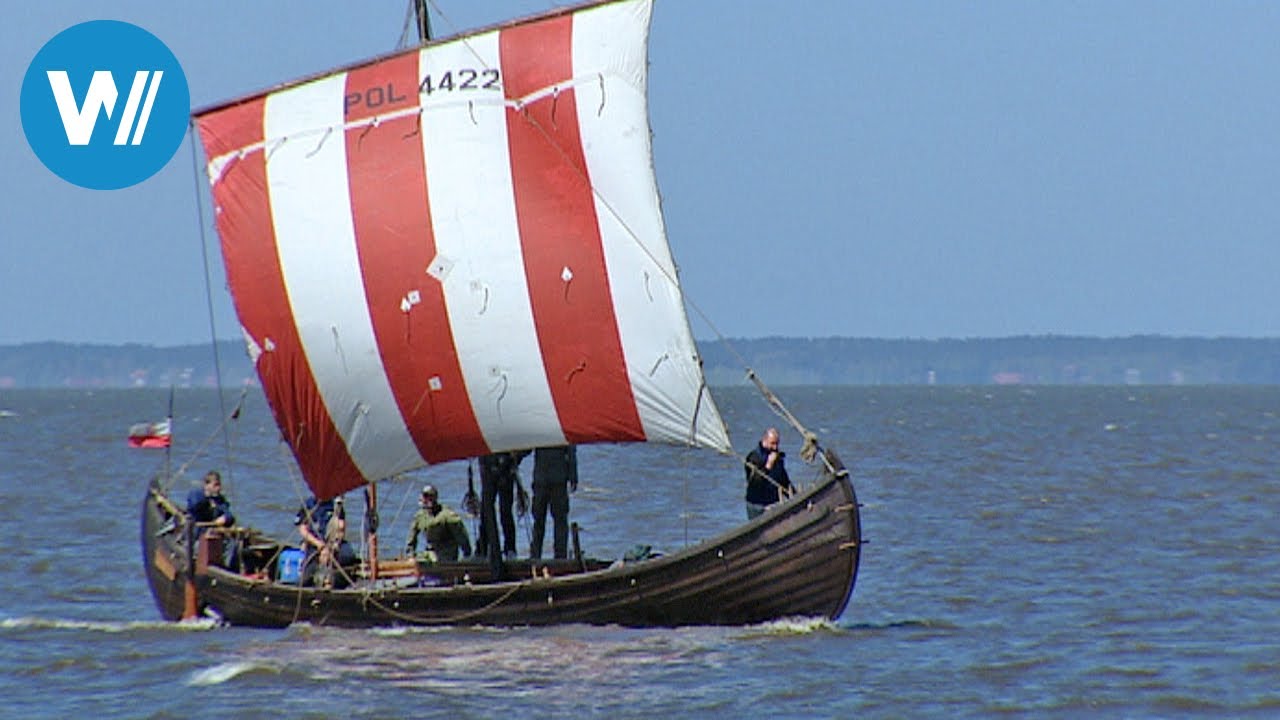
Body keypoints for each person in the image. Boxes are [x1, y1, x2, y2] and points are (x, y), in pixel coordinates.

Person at [294, 494, 357, 586]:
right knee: (306, 578)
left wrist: (331, 547)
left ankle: (337, 582)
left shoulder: (335, 505)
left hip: (334, 544)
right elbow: (303, 529)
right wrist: (320, 545)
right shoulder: (308, 504)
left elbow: (341, 529)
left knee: (348, 556)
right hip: (315, 544)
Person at [475, 451, 526, 563]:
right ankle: (482, 549)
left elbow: (527, 444)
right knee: (486, 511)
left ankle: (510, 549)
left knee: (505, 511)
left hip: (506, 470)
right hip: (488, 468)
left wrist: (517, 457)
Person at [529, 445, 578, 560]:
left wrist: (573, 476)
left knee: (552, 520)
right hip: (550, 479)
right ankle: (540, 555)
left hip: (553, 480)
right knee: (543, 520)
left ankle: (555, 556)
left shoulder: (538, 427)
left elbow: (570, 448)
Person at [404, 484, 472, 563]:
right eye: (425, 496)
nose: (428, 500)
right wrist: (410, 555)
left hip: (446, 554)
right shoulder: (419, 516)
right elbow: (411, 538)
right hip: (429, 553)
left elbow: (462, 536)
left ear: (435, 498)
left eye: (430, 497)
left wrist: (467, 555)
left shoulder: (448, 516)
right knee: (417, 562)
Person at [743, 427, 792, 520]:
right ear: (764, 441)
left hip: (773, 503)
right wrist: (768, 465)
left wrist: (795, 496)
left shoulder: (777, 456)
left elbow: (784, 481)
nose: (775, 447)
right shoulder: (753, 458)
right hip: (757, 506)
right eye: (772, 443)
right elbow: (755, 483)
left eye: (777, 443)